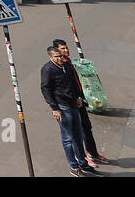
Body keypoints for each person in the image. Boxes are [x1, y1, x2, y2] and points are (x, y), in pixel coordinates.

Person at [41, 45, 102, 176]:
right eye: (57, 57)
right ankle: (74, 167)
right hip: (62, 107)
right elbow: (46, 89)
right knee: (68, 139)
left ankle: (83, 164)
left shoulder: (66, 66)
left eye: (61, 56)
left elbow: (73, 83)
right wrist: (54, 108)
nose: (60, 59)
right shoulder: (48, 69)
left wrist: (79, 96)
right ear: (50, 57)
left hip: (74, 104)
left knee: (78, 136)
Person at [53, 39, 110, 167]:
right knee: (75, 133)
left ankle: (92, 154)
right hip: (69, 104)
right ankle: (82, 158)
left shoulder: (70, 63)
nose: (66, 50)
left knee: (86, 128)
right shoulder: (58, 67)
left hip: (80, 100)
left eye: (66, 48)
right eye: (63, 49)